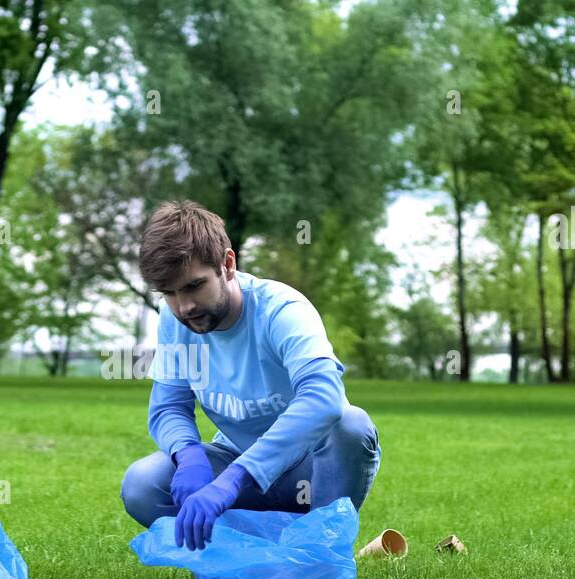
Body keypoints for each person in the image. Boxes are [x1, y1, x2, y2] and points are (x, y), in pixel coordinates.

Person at [120, 200, 381, 550]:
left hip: (311, 470)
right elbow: (169, 407)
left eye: (195, 286)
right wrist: (188, 455)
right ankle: (241, 560)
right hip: (237, 466)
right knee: (142, 483)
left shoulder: (283, 311)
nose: (184, 307)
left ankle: (318, 549)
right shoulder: (175, 322)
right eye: (170, 293)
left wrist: (234, 479)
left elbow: (323, 398)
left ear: (228, 264)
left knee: (352, 425)